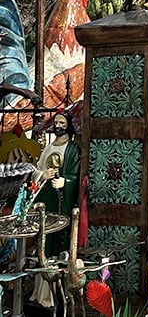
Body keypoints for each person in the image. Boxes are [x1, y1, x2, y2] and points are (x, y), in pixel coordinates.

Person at [30, 111, 81, 307]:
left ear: (68, 126)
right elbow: (36, 171)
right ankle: (42, 292)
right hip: (48, 203)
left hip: (63, 204)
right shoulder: (48, 148)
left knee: (59, 245)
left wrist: (65, 183)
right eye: (57, 122)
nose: (59, 126)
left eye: (62, 123)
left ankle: (57, 294)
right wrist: (43, 175)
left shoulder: (73, 149)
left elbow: (77, 177)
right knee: (45, 242)